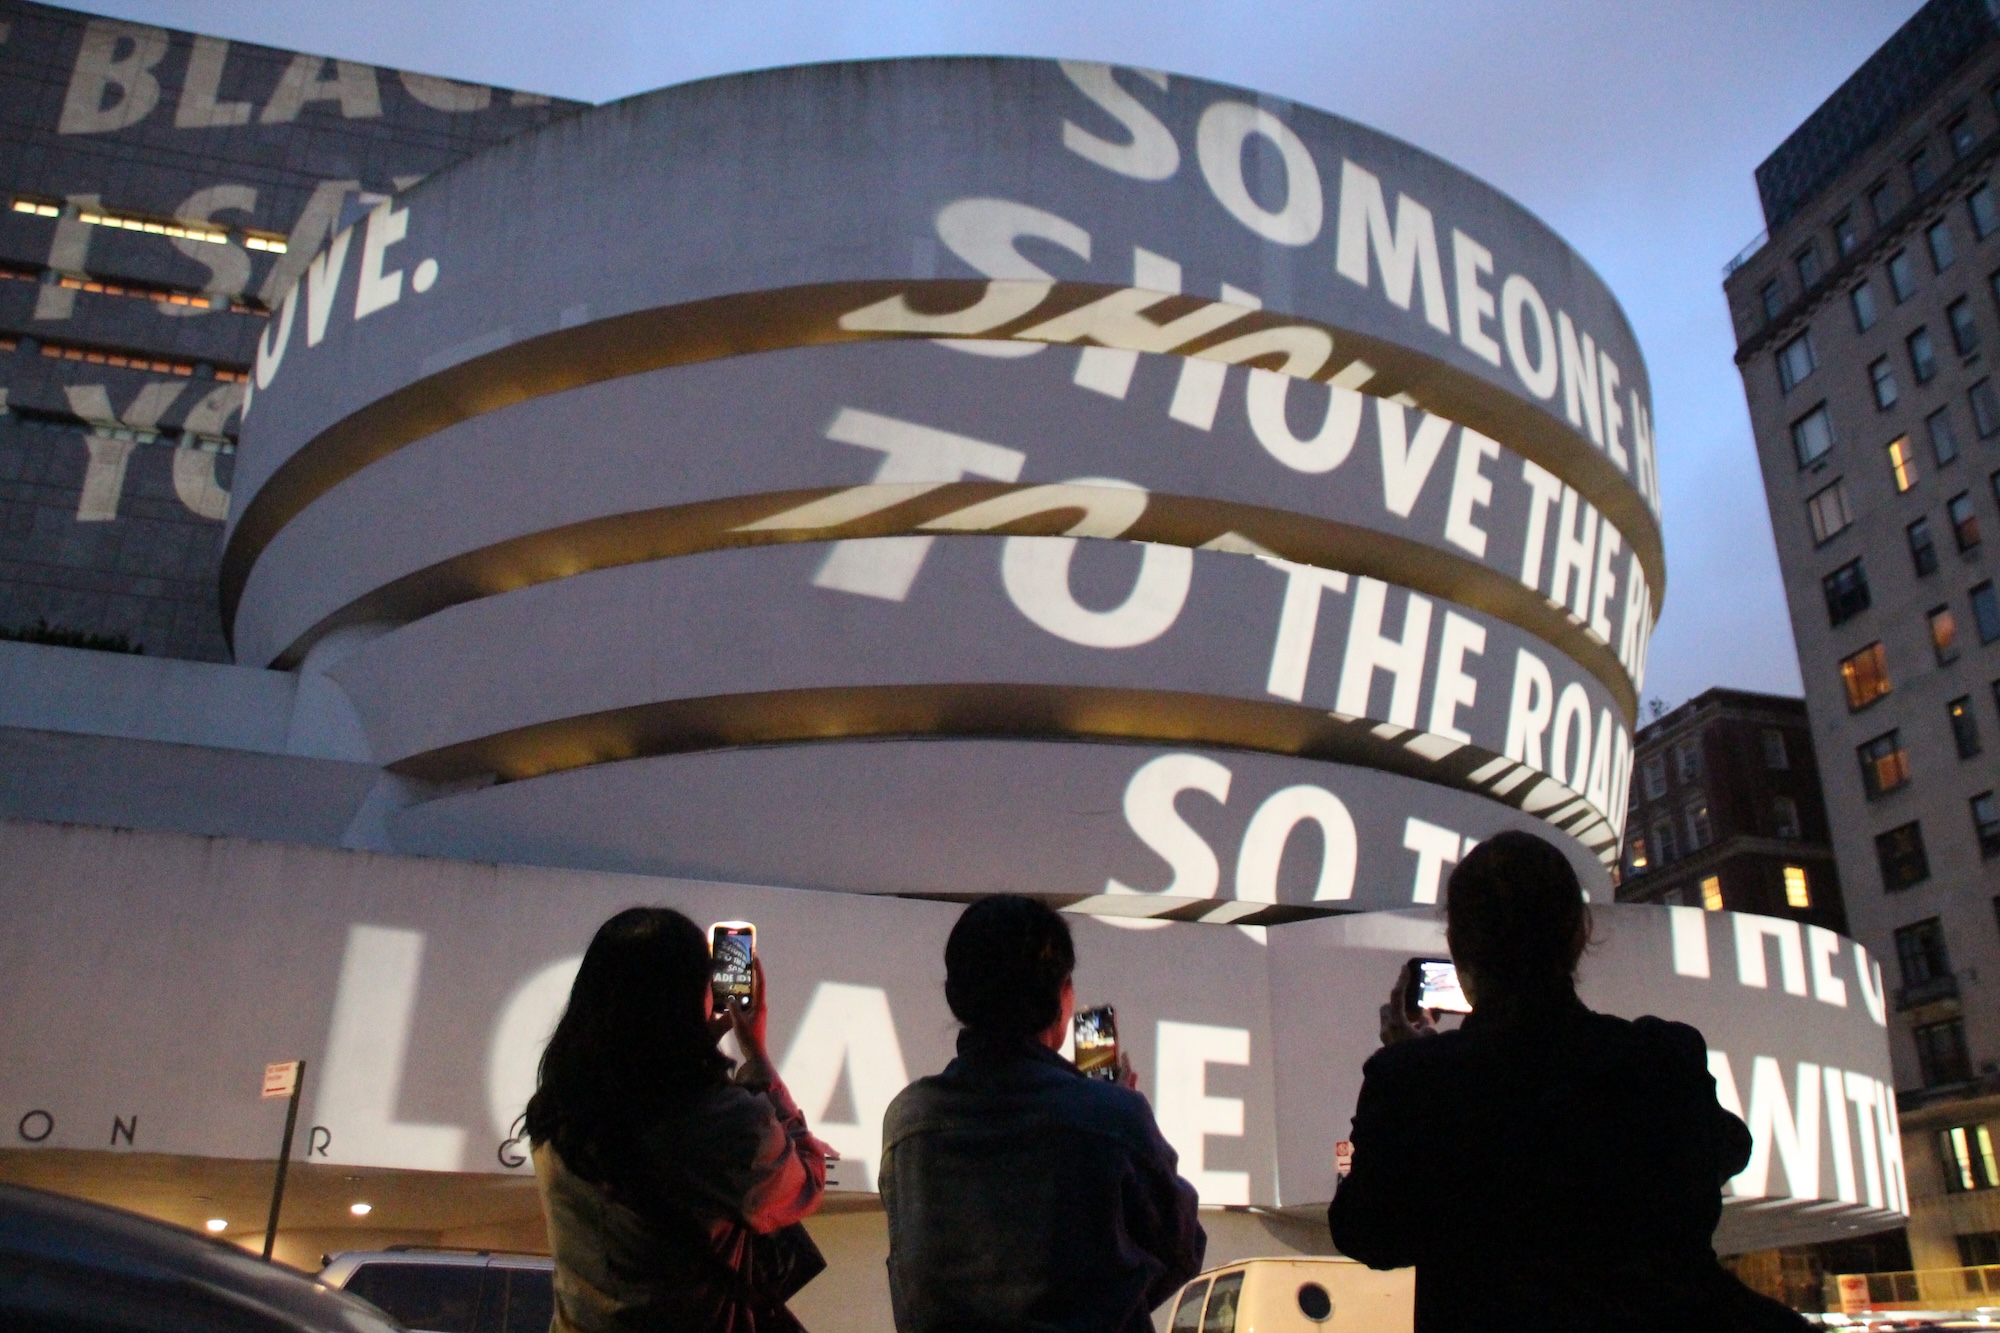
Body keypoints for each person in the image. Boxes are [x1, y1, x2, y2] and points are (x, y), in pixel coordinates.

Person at [1327, 830, 1809, 1333]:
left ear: (1458, 947)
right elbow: (1728, 1148)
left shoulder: (1413, 1082)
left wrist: (1409, 1072)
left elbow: (1366, 1232)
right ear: (1580, 933)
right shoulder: (1660, 1058)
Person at [880, 895, 1205, 1333]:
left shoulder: (907, 1123)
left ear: (956, 995)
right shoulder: (1113, 1116)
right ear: (1061, 995)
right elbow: (1181, 1248)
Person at [527, 907, 834, 1332]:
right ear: (691, 999)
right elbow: (804, 1186)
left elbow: (637, 1085)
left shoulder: (555, 1110)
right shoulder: (724, 1124)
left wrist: (691, 1050)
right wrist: (757, 1057)